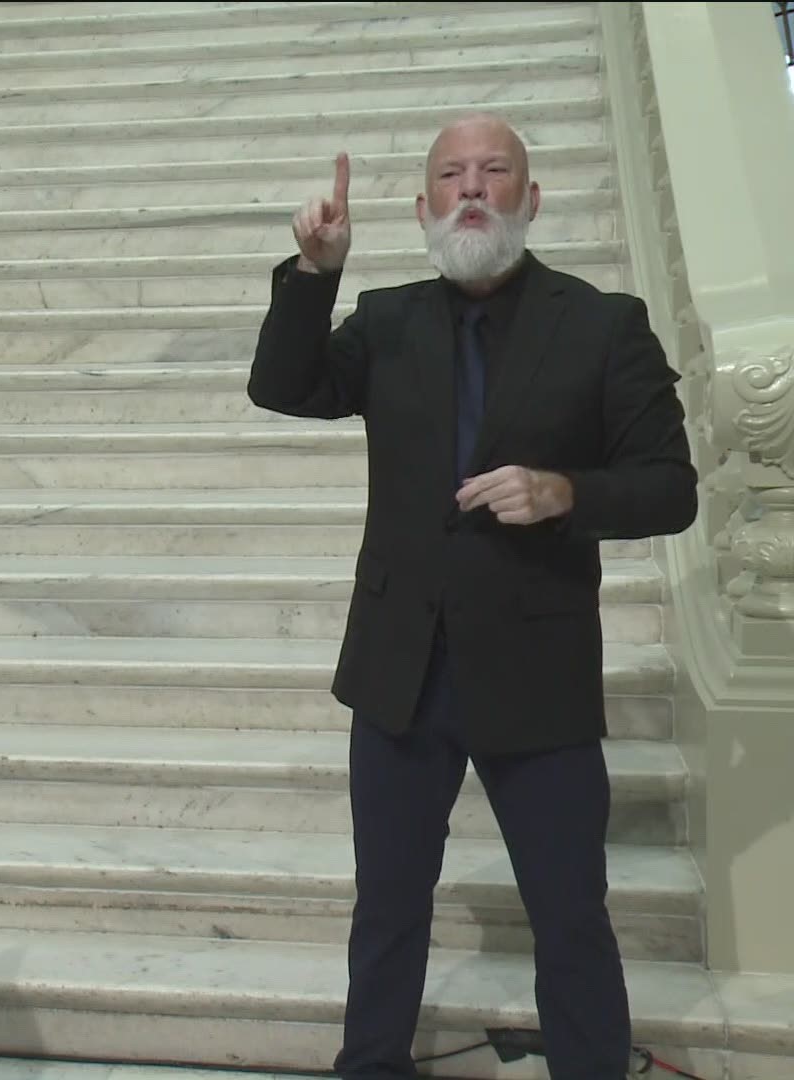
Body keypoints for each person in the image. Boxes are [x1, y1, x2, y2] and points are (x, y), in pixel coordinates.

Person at [247, 113, 697, 1079]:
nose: (473, 190)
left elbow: (672, 486)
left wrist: (566, 492)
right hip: (401, 669)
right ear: (422, 209)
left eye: (496, 173)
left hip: (537, 673)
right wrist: (315, 275)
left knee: (570, 911)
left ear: (531, 200)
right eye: (451, 176)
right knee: (389, 906)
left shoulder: (602, 324)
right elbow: (285, 387)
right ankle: (370, 1065)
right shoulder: (387, 318)